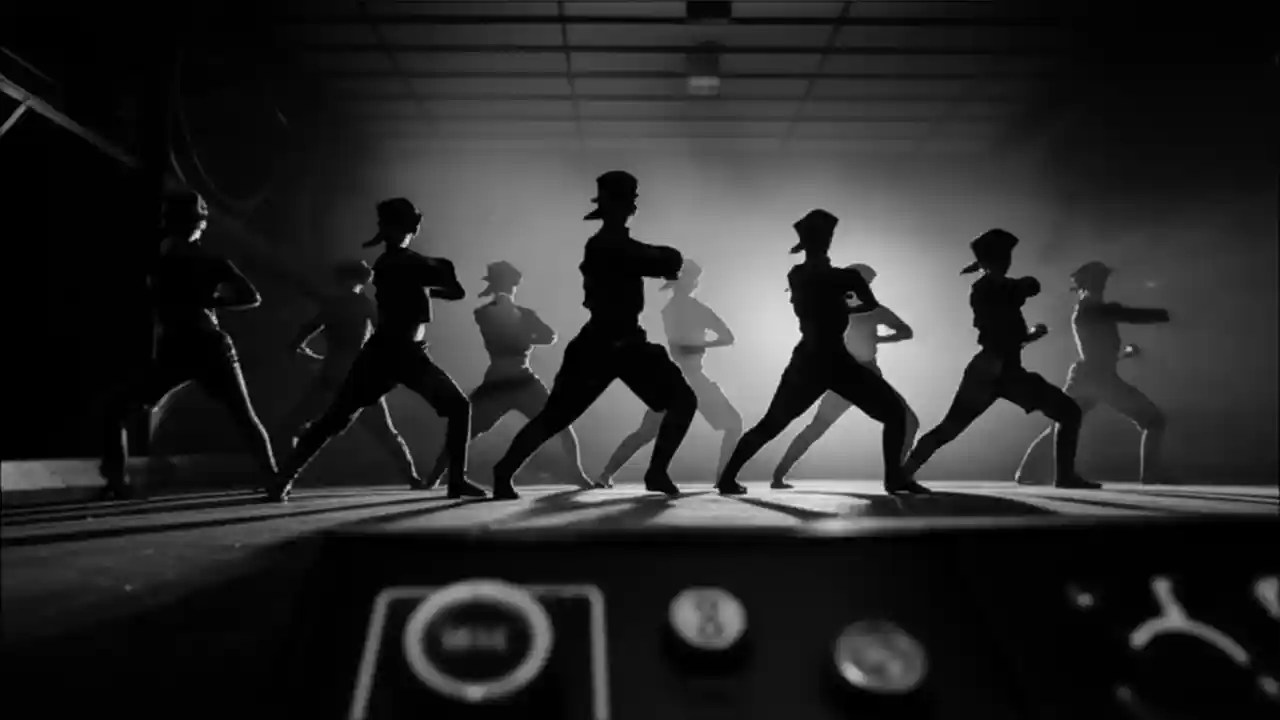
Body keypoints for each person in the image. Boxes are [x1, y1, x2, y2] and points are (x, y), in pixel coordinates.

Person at [487, 171, 696, 500]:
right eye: (627, 198)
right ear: (614, 204)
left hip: (620, 341)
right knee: (556, 417)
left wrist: (665, 260)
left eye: (632, 198)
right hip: (605, 342)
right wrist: (665, 260)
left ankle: (657, 472)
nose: (632, 204)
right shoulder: (606, 245)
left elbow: (661, 260)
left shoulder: (614, 244)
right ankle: (503, 470)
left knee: (682, 401)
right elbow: (662, 260)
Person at [267, 198, 486, 501]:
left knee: (337, 419)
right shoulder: (397, 263)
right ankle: (282, 478)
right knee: (336, 419)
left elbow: (452, 290)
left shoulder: (403, 264)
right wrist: (441, 268)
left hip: (399, 352)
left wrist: (436, 275)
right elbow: (447, 282)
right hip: (393, 352)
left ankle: (456, 481)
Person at [715, 210, 925, 496]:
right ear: (828, 243)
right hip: (835, 361)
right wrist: (848, 296)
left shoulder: (797, 274)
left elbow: (826, 286)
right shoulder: (844, 277)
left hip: (809, 360)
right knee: (894, 414)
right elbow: (868, 305)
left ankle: (728, 478)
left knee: (773, 423)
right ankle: (894, 479)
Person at [100, 190, 277, 499]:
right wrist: (214, 300)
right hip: (207, 345)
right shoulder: (208, 261)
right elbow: (251, 296)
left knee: (118, 410)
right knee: (244, 417)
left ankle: (116, 482)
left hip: (183, 347)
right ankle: (276, 481)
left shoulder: (162, 260)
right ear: (199, 225)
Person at [901, 229, 1098, 488]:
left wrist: (1030, 335)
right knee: (1069, 412)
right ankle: (1065, 476)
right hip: (1001, 371)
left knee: (950, 428)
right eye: (1005, 256)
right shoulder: (992, 288)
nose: (1009, 261)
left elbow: (1005, 334)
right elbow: (1030, 285)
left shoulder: (989, 288)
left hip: (990, 369)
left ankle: (904, 473)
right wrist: (992, 271)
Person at [421, 261, 594, 489]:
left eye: (509, 284)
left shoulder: (521, 313)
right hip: (499, 383)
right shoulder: (484, 313)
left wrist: (526, 333)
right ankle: (435, 476)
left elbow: (550, 336)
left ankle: (576, 474)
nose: (509, 287)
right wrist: (525, 332)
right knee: (466, 429)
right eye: (506, 283)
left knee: (561, 423)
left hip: (521, 380)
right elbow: (502, 333)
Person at [1014, 261, 1171, 485]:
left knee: (1062, 425)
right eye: (1100, 279)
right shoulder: (1092, 308)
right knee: (1153, 420)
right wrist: (1166, 314)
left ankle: (1026, 472)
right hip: (1099, 380)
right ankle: (1151, 475)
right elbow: (1127, 315)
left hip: (1090, 378)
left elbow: (1099, 350)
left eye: (1103, 279)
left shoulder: (1092, 308)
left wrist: (1124, 353)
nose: (1103, 283)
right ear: (1089, 283)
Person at [771, 263, 919, 488]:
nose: (865, 286)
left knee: (905, 421)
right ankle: (779, 474)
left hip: (863, 372)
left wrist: (878, 340)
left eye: (867, 283)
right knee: (819, 425)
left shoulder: (873, 310)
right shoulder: (834, 309)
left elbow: (906, 331)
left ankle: (896, 476)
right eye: (864, 282)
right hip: (842, 372)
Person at [597, 260, 744, 486]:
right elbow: (726, 338)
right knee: (733, 424)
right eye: (692, 277)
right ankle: (724, 479)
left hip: (674, 377)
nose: (694, 282)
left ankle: (606, 474)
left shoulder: (675, 309)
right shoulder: (693, 309)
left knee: (646, 432)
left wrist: (698, 346)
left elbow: (720, 338)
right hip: (689, 377)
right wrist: (701, 345)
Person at [279, 260, 423, 487]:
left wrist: (315, 358)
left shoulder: (335, 305)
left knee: (296, 426)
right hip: (361, 378)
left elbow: (297, 342)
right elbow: (389, 338)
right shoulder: (364, 305)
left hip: (336, 378)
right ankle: (412, 478)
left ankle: (284, 479)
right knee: (384, 433)